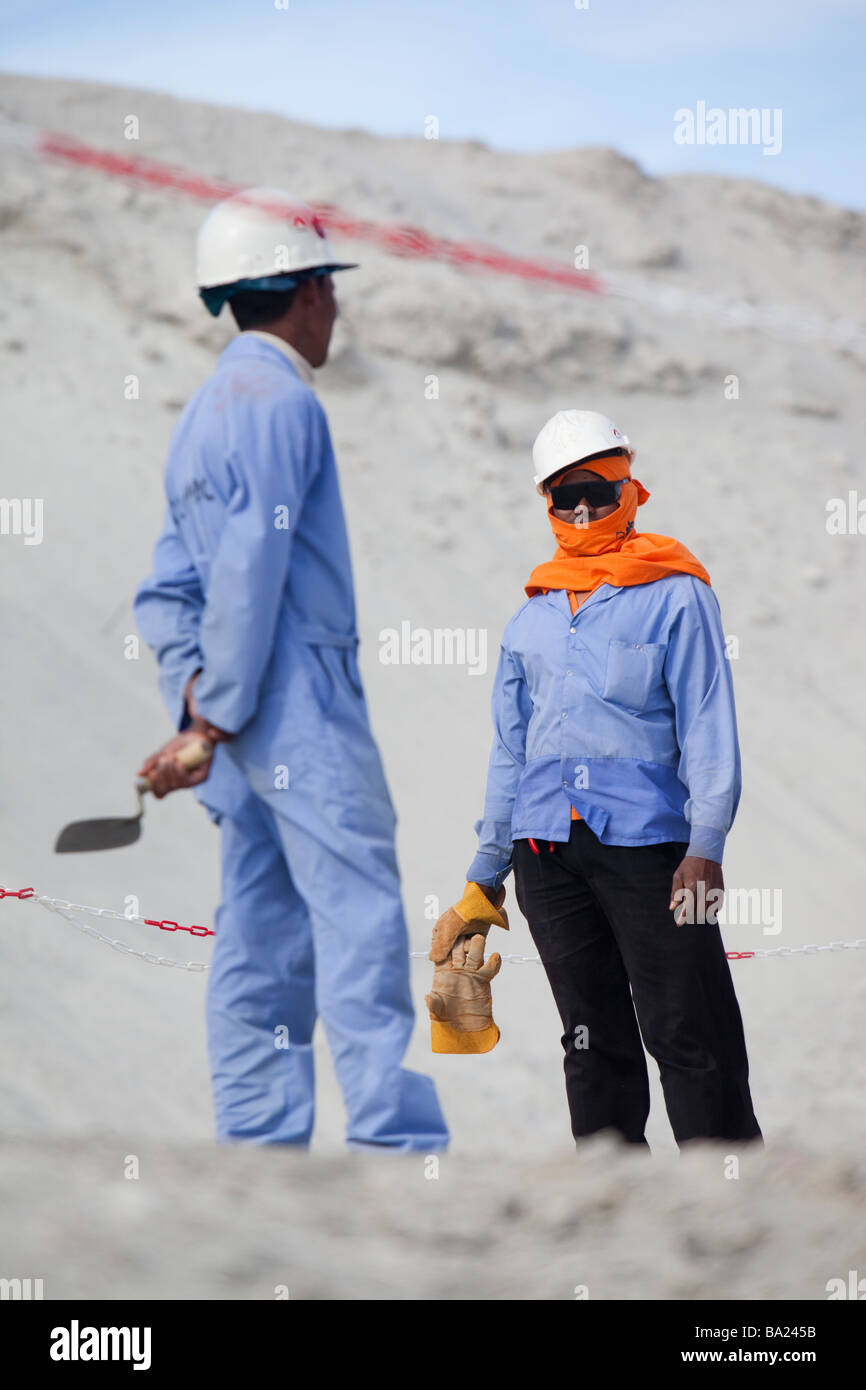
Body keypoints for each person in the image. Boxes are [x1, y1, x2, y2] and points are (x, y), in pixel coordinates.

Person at [134, 187, 448, 1153]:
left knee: (261, 940)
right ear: (306, 292)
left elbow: (165, 591)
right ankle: (395, 1151)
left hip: (231, 719)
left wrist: (192, 706)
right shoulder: (279, 401)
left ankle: (259, 1152)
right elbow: (248, 572)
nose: (336, 311)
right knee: (357, 924)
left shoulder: (202, 415)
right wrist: (218, 715)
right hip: (296, 703)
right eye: (329, 288)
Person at [430, 410, 762, 1149]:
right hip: (545, 855)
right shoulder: (533, 616)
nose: (581, 511)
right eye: (564, 497)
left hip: (658, 855)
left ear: (629, 487)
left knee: (688, 1031)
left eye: (598, 493)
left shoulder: (677, 592)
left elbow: (709, 727)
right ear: (546, 502)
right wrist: (484, 879)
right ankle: (617, 1219)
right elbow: (509, 753)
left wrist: (706, 846)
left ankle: (732, 1213)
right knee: (590, 1042)